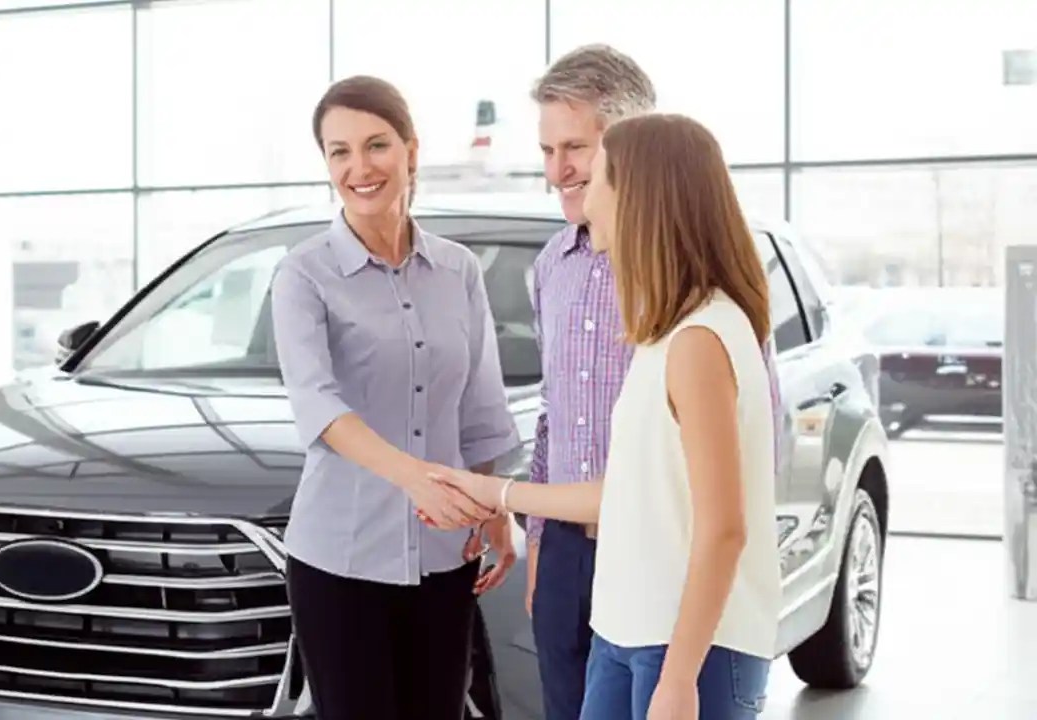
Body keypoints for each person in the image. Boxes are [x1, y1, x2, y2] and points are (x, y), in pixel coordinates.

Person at [430, 112, 781, 719]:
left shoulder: (701, 338)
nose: (583, 197)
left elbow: (725, 527)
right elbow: (625, 493)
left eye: (599, 180)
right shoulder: (661, 333)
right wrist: (491, 490)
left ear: (641, 199)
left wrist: (678, 679)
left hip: (687, 649)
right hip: (624, 630)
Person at [523, 44, 783, 719]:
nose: (561, 173)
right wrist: (534, 535)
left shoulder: (697, 320)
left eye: (579, 150)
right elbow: (555, 414)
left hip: (675, 577)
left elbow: (739, 488)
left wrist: (683, 667)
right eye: (548, 151)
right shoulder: (558, 265)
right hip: (580, 568)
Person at [269, 75, 521, 720]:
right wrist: (416, 481)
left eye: (376, 145)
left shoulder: (459, 270)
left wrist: (491, 503)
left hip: (445, 553)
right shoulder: (303, 274)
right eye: (339, 151)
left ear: (411, 149)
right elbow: (318, 406)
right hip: (340, 559)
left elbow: (481, 407)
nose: (359, 167)